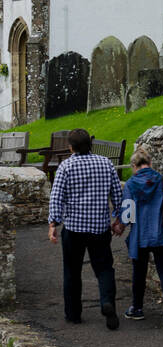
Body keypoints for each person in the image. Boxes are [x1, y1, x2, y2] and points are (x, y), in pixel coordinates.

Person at [48, 128, 124, 329]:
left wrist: (53, 224)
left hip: (74, 229)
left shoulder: (65, 167)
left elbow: (56, 197)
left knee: (72, 271)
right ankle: (107, 302)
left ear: (70, 147)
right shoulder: (105, 163)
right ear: (90, 143)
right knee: (104, 268)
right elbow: (118, 195)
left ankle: (73, 314)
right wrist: (120, 220)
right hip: (99, 228)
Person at [121, 147, 163, 328]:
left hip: (140, 235)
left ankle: (137, 308)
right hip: (161, 233)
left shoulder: (131, 184)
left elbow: (127, 215)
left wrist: (120, 224)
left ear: (134, 165)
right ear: (150, 163)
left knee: (139, 273)